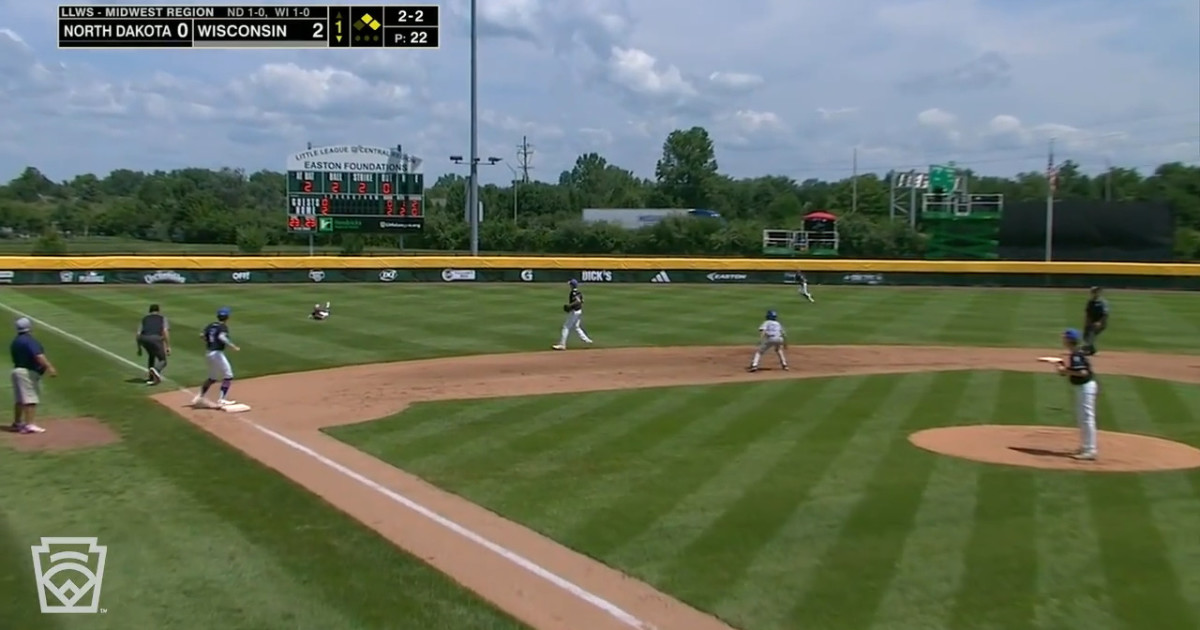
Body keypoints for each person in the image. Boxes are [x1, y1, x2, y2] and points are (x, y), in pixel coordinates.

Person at [10, 317, 56, 434]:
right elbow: (38, 355)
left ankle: (17, 422)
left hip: (17, 371)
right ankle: (30, 425)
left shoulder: (16, 341)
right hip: (27, 372)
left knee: (20, 399)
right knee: (30, 399)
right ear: (29, 327)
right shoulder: (29, 340)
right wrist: (49, 367)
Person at [1058, 328, 1098, 460]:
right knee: (1082, 419)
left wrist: (1065, 371)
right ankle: (1085, 447)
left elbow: (1083, 373)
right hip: (1082, 388)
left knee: (1087, 418)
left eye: (1065, 337)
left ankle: (1091, 450)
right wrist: (1065, 370)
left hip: (1085, 388)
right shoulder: (1075, 353)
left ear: (1070, 340)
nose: (1062, 339)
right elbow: (1076, 371)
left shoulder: (1076, 355)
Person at [192, 307, 240, 407]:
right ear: (227, 317)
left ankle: (200, 396)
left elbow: (201, 335)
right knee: (228, 375)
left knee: (212, 378)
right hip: (217, 353)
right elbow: (221, 337)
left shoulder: (211, 325)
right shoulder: (223, 327)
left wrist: (209, 342)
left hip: (209, 353)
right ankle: (222, 399)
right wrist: (232, 346)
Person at [552, 279, 593, 350]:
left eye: (570, 284)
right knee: (577, 327)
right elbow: (582, 301)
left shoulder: (573, 293)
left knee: (566, 327)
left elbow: (578, 301)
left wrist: (570, 306)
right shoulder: (579, 292)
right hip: (579, 311)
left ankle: (562, 344)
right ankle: (587, 341)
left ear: (572, 285)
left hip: (575, 312)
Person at [136, 303, 171, 385]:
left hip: (143, 338)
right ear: (158, 311)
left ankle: (151, 378)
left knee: (151, 356)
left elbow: (138, 334)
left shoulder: (144, 319)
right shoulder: (162, 318)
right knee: (163, 360)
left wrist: (139, 348)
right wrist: (168, 346)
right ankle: (156, 370)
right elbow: (165, 331)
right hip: (155, 338)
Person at [1082, 287, 1109, 355]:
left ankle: (1086, 348)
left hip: (1100, 322)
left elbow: (1105, 314)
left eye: (1096, 292)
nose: (1094, 293)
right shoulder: (1090, 302)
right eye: (1093, 292)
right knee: (1085, 335)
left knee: (1091, 333)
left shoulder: (1103, 302)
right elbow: (1087, 313)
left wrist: (1100, 322)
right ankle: (1091, 350)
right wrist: (1086, 322)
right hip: (1091, 322)